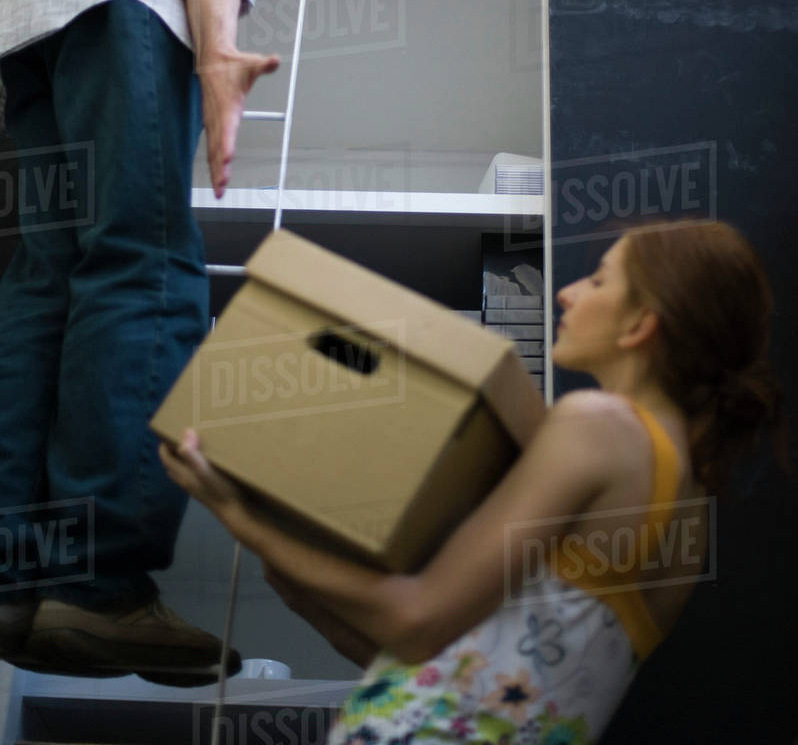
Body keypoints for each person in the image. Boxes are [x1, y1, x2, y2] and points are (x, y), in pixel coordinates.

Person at [0, 0, 443, 680]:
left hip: (48, 21)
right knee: (146, 277)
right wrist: (217, 58)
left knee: (47, 291)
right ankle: (101, 587)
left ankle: (21, 583)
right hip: (123, 16)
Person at [161, 219, 785, 741]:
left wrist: (237, 516)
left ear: (640, 324)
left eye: (598, 279)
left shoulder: (598, 425)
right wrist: (299, 578)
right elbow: (464, 664)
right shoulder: (688, 506)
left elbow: (417, 622)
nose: (567, 292)